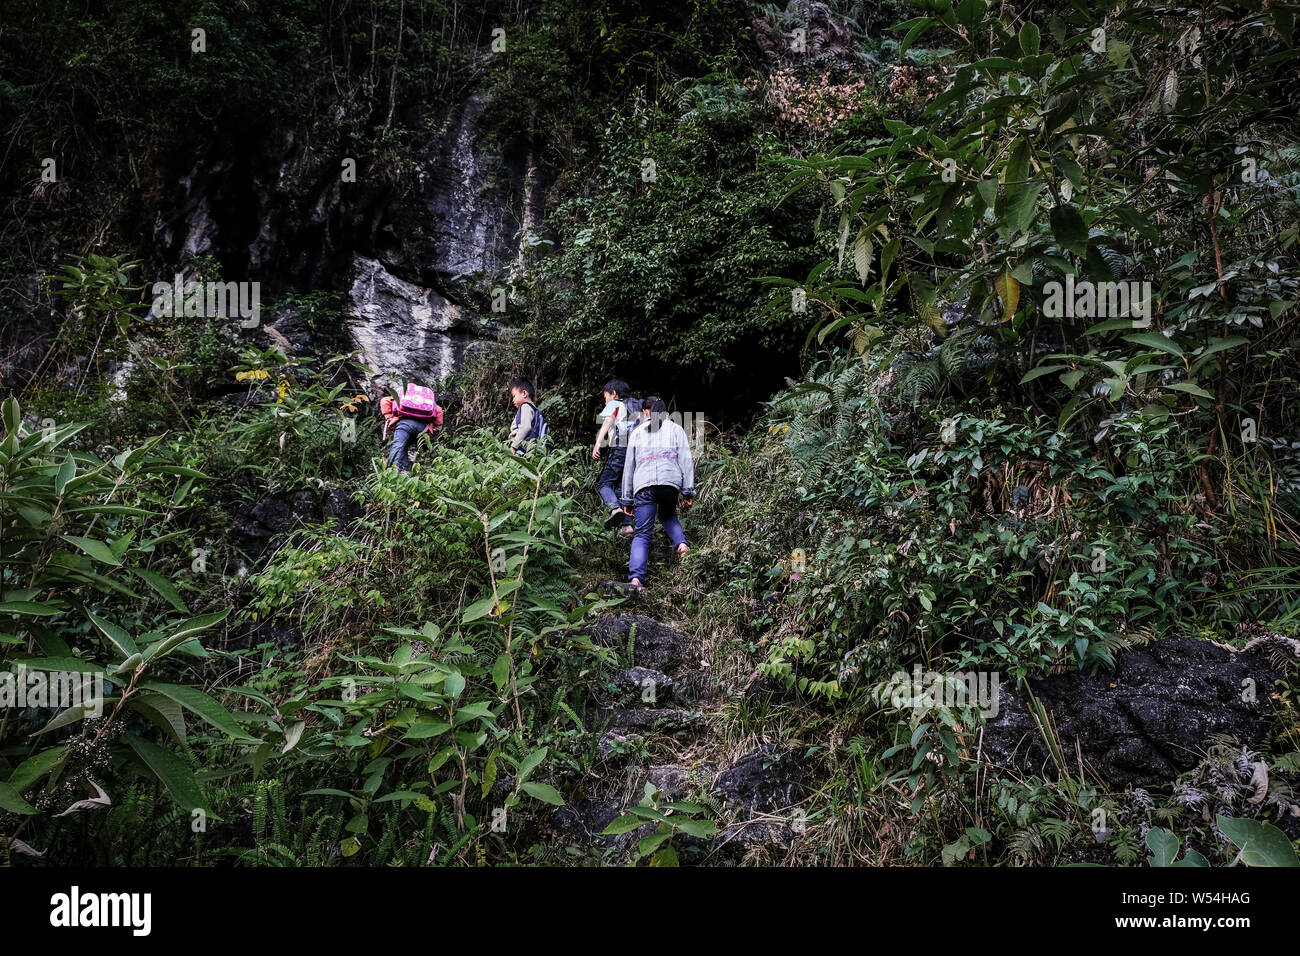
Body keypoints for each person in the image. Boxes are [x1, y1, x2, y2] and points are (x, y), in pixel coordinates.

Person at [619, 396, 695, 590]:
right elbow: (686, 460)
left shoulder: (636, 433)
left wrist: (627, 499)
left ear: (646, 412)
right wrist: (687, 491)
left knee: (643, 533)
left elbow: (629, 468)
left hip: (643, 486)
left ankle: (636, 579)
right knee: (668, 515)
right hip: (670, 483)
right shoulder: (677, 429)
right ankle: (682, 545)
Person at [592, 378, 635, 533]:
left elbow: (608, 421)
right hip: (634, 452)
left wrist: (598, 443)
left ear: (614, 394)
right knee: (621, 488)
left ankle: (615, 509)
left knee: (603, 484)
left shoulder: (616, 404)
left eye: (606, 398)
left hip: (619, 448)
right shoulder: (635, 406)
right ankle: (627, 525)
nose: (606, 402)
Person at [382, 384, 442, 474]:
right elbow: (439, 410)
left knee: (398, 446)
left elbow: (384, 400)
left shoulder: (402, 396)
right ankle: (407, 470)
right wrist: (436, 428)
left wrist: (389, 417)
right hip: (423, 428)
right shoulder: (427, 399)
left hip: (404, 425)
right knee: (406, 446)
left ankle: (393, 472)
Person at [507, 378, 541, 454]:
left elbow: (526, 427)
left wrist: (513, 446)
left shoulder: (525, 406)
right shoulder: (533, 409)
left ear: (524, 393)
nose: (513, 400)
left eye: (514, 396)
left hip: (523, 449)